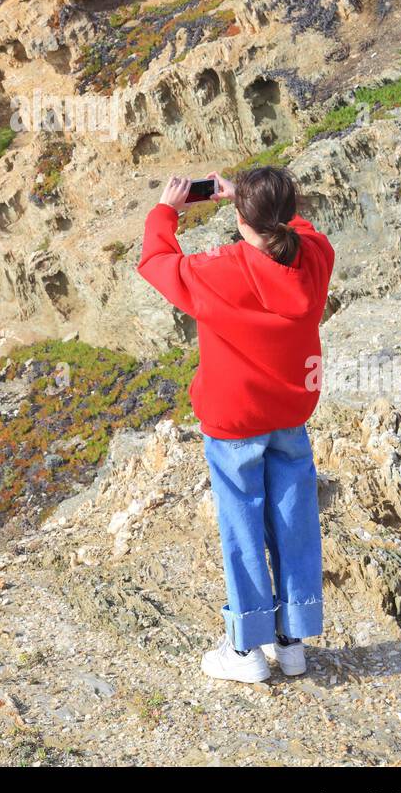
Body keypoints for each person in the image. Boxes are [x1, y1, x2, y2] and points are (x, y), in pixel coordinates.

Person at [136, 165, 335, 684]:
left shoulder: (220, 270)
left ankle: (246, 649)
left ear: (243, 221)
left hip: (234, 420)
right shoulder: (315, 258)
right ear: (286, 215)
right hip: (289, 414)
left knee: (242, 524)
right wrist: (249, 203)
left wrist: (167, 210)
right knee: (293, 517)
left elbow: (157, 262)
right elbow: (303, 230)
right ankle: (293, 641)